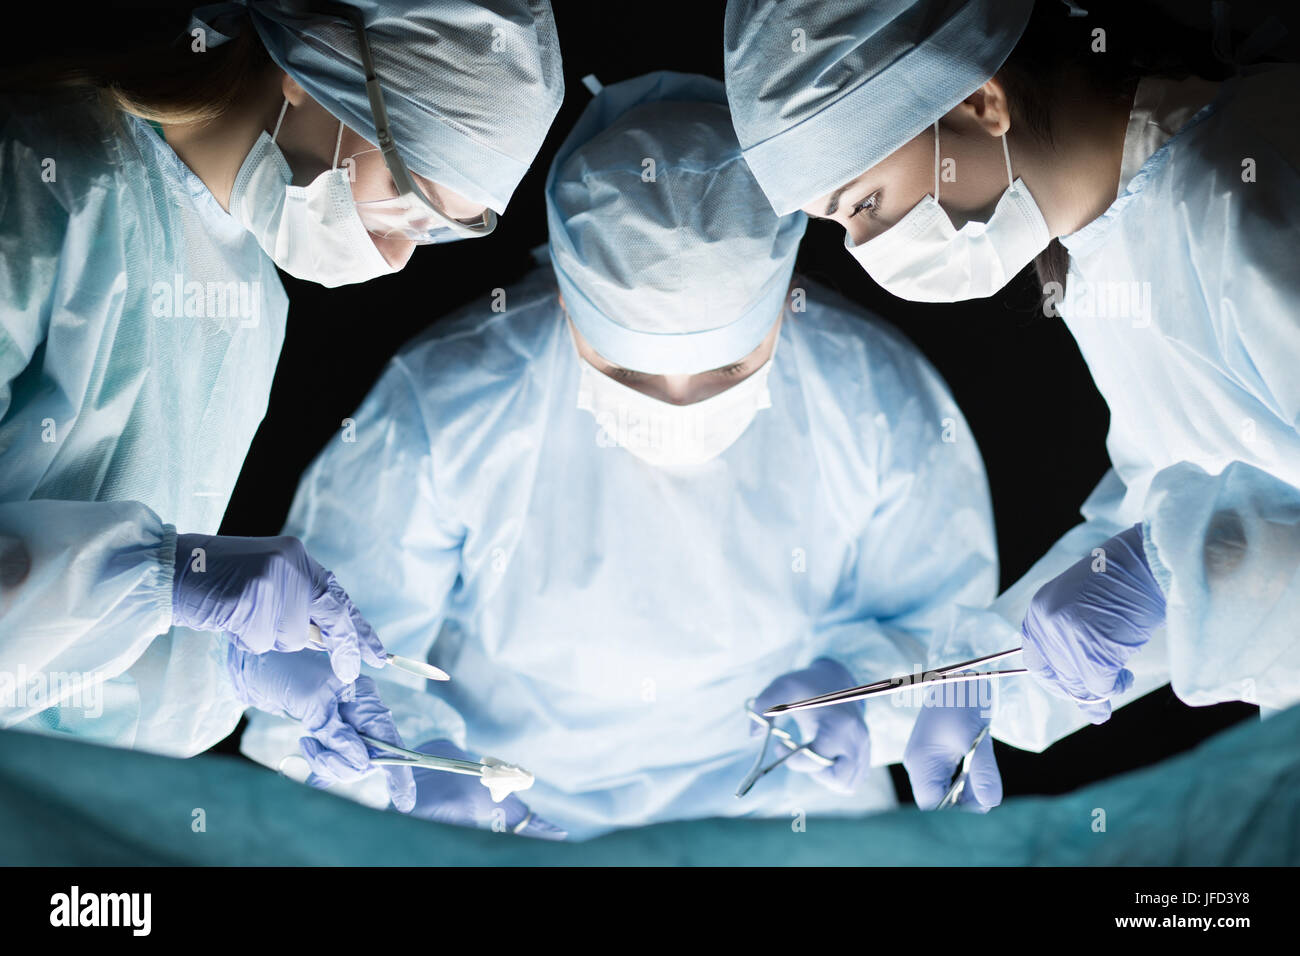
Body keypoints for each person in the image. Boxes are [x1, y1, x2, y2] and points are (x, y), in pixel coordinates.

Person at [238, 71, 1000, 838]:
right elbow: (324, 658)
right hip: (506, 810)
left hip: (786, 807)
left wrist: (859, 691)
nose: (680, 405)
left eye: (727, 367)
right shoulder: (449, 405)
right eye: (628, 370)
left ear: (783, 296)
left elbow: (957, 637)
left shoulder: (870, 394)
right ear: (568, 301)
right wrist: (420, 765)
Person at [725, 0, 1300, 792]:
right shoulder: (1112, 249)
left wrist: (1174, 568)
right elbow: (1181, 506)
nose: (864, 250)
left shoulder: (1257, 172)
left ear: (977, 102)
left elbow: (1199, 545)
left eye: (862, 203)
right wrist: (964, 676)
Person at [0, 0, 563, 809]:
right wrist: (158, 579)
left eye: (442, 230)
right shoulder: (44, 173)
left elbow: (65, 658)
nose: (401, 251)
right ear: (313, 69)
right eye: (409, 193)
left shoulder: (252, 303)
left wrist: (225, 660)